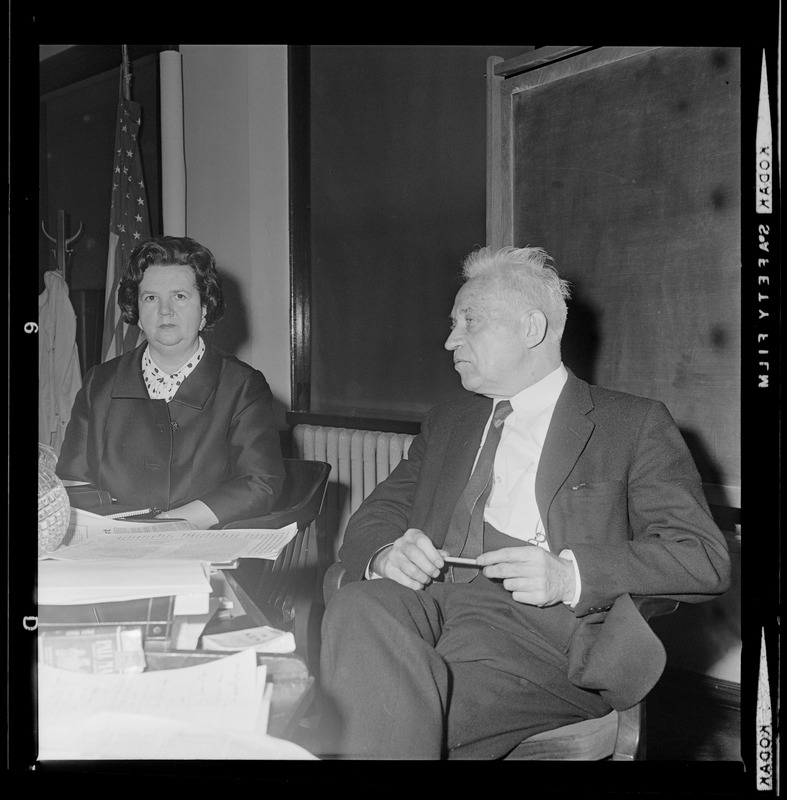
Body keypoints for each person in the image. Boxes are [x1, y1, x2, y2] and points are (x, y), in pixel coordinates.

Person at [318, 245, 731, 759]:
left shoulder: (630, 424)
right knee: (358, 603)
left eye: (469, 322)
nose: (450, 340)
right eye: (452, 324)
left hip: (543, 642)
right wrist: (385, 554)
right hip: (428, 608)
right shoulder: (448, 423)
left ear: (532, 328)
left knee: (381, 715)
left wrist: (568, 575)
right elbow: (376, 517)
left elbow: (702, 556)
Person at [56, 235, 285, 529]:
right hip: (110, 539)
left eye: (179, 296)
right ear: (138, 313)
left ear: (204, 310)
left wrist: (170, 524)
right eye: (151, 298)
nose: (165, 310)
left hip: (204, 540)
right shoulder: (99, 383)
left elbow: (260, 483)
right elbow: (73, 482)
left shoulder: (242, 386)